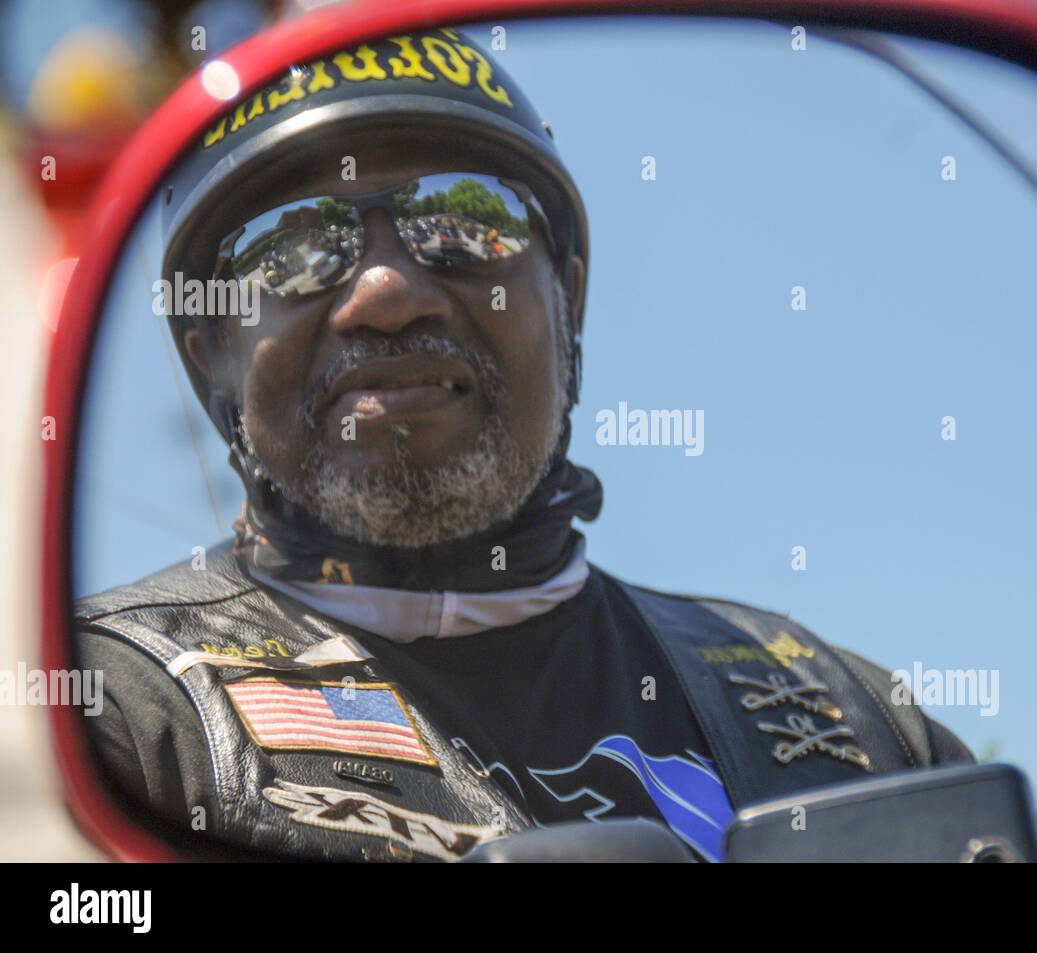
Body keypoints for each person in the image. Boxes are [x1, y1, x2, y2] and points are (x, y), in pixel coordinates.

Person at [75, 28, 972, 863]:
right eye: (293, 248)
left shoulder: (853, 725)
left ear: (568, 300)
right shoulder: (105, 717)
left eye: (464, 219)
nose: (387, 293)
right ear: (212, 362)